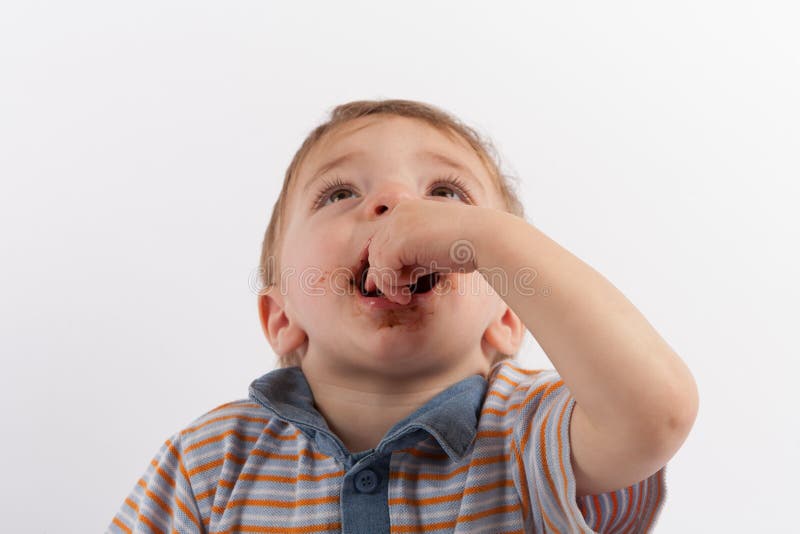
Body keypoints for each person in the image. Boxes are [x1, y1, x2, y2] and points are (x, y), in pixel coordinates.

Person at [108, 99, 698, 533]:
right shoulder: (209, 461)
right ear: (281, 315)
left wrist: (484, 239)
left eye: (446, 194)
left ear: (509, 317)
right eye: (339, 194)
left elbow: (657, 413)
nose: (394, 202)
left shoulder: (529, 435)